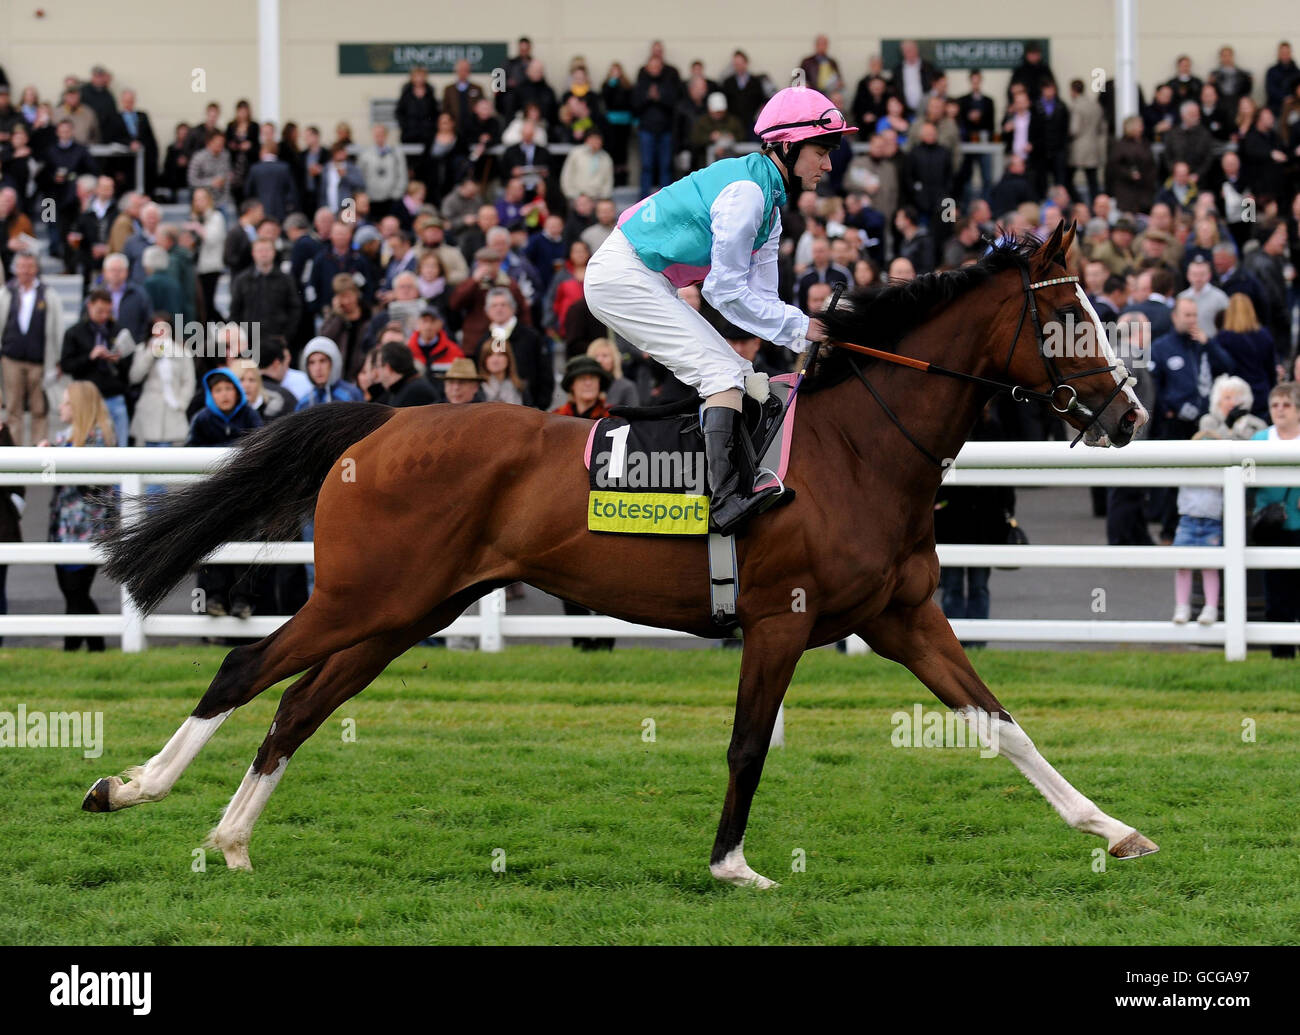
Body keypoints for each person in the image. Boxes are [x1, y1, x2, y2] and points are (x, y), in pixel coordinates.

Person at [584, 86, 848, 534]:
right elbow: (725, 292)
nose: (827, 164)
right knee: (723, 375)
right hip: (622, 276)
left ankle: (739, 483)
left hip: (648, 278)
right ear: (786, 144)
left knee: (746, 377)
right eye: (820, 151)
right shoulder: (747, 194)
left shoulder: (771, 209)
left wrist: (808, 331)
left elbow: (761, 301)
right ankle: (723, 502)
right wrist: (806, 328)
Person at [1171, 376, 1266, 625]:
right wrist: (1231, 429)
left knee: (1220, 560)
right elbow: (1212, 445)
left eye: (1236, 398)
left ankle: (1218, 609)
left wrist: (1239, 428)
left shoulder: (1256, 424)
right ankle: (1189, 606)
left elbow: (1254, 454)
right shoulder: (1208, 421)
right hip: (1212, 502)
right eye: (1226, 398)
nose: (1231, 403)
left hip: (1244, 499)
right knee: (1188, 561)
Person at [43, 381, 115, 651]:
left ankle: (82, 648)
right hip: (62, 527)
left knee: (75, 591)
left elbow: (90, 484)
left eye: (65, 403)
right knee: (72, 592)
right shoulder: (64, 438)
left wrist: (53, 454)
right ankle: (84, 649)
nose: (60, 408)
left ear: (79, 407)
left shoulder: (99, 438)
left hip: (88, 530)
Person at [1251, 382, 1300, 657]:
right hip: (1273, 527)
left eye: (1286, 405)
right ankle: (1281, 655)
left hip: (1299, 526)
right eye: (1275, 405)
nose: (1279, 410)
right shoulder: (1260, 440)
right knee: (1277, 593)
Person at [0, 251, 66, 445]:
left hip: (39, 361)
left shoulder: (47, 294)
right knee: (13, 408)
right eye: (22, 267)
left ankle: (39, 452)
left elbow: (57, 329)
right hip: (11, 359)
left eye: (30, 267)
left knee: (39, 408)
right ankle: (14, 450)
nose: (26, 271)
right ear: (15, 269)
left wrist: (57, 360)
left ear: (36, 268)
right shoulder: (7, 293)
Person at [59, 288, 133, 447]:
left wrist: (117, 360)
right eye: (100, 311)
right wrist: (89, 357)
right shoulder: (75, 332)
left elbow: (130, 368)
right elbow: (66, 365)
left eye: (108, 311)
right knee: (86, 444)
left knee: (120, 446)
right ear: (90, 306)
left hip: (114, 395)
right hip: (86, 400)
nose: (104, 316)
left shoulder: (118, 330)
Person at [129, 313, 196, 447]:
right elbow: (135, 377)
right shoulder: (142, 349)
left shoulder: (182, 351)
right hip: (149, 412)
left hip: (173, 411)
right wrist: (150, 354)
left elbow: (189, 382)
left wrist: (182, 403)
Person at [586, 337, 637, 408]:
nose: (599, 360)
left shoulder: (626, 387)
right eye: (596, 356)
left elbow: (633, 416)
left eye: (605, 356)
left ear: (614, 360)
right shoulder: (585, 386)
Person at [479, 339, 528, 405]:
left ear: (508, 358)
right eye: (490, 355)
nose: (495, 360)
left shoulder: (521, 387)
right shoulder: (477, 389)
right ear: (484, 360)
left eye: (499, 354)